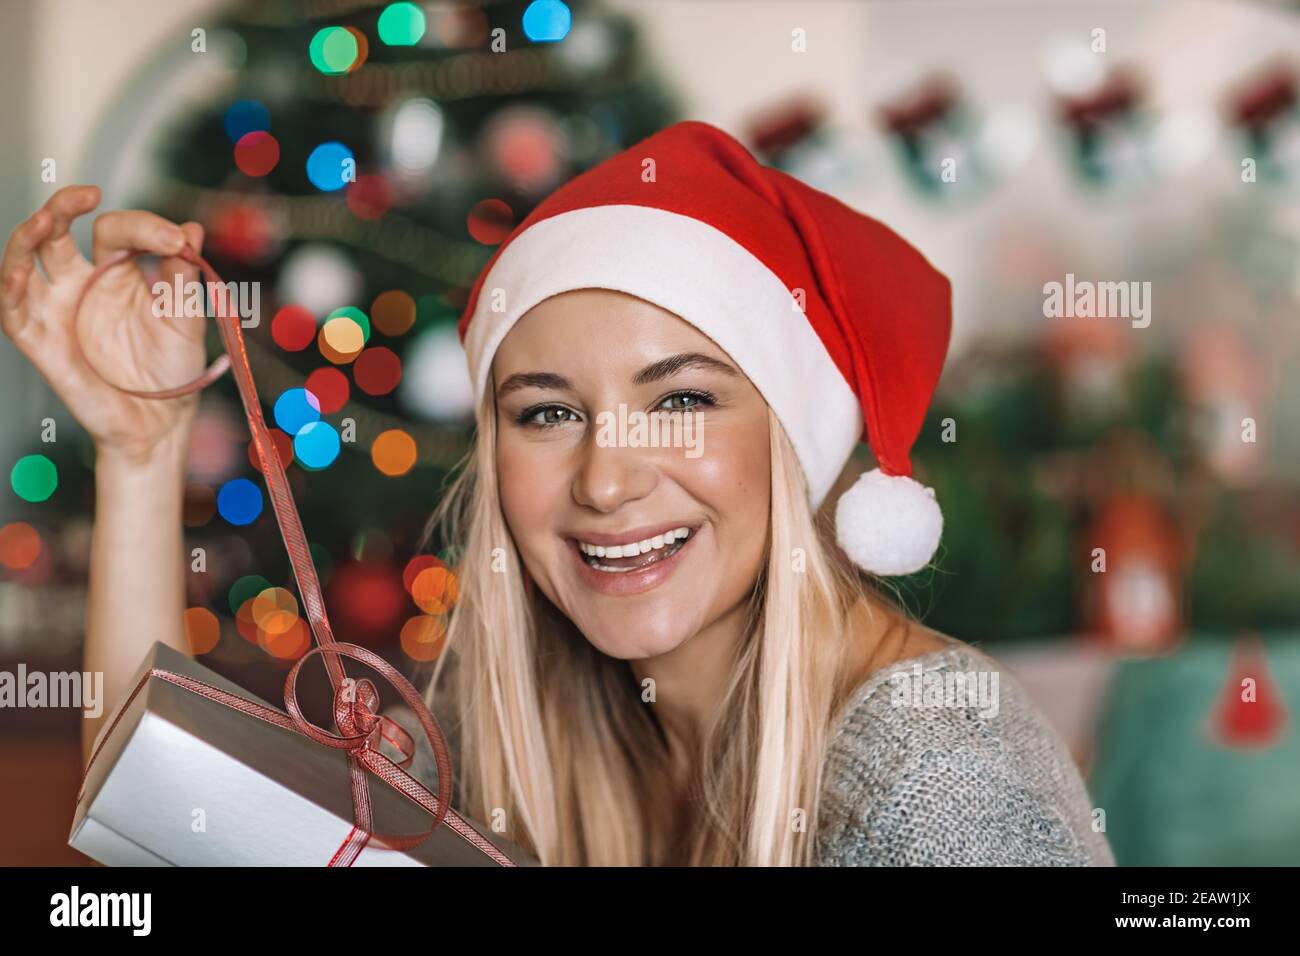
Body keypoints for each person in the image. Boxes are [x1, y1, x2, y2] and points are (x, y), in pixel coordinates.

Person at [2, 120, 1113, 866]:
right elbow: (173, 820)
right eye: (546, 410)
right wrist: (142, 455)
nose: (606, 476)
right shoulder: (512, 716)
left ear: (795, 444)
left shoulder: (943, 783)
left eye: (680, 399)